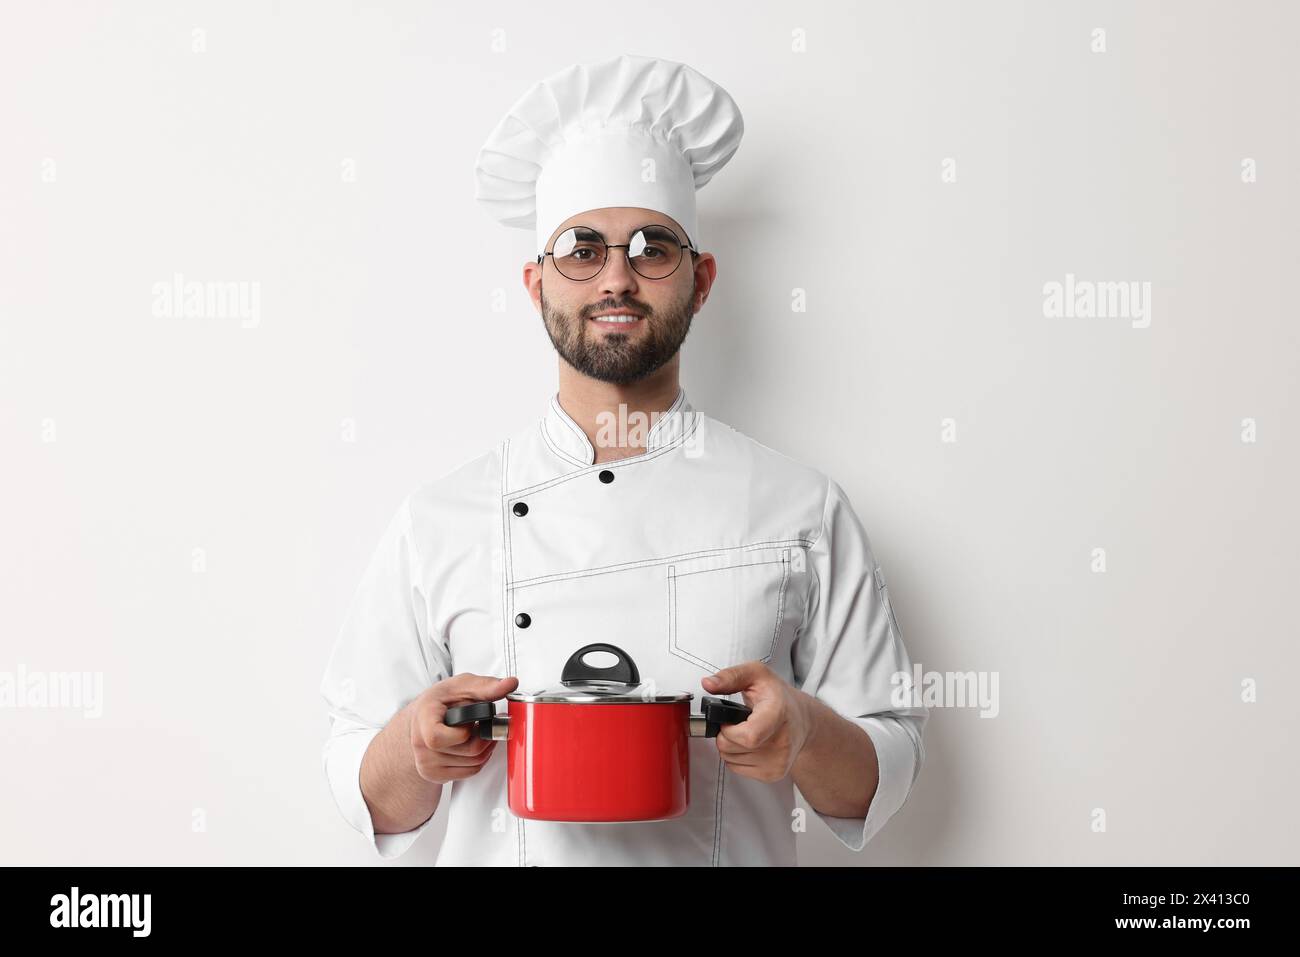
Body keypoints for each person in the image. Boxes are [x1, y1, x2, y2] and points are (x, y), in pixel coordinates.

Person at [318, 53, 927, 866]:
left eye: (652, 249)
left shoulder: (802, 506)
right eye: (581, 248)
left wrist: (807, 731)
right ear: (536, 283)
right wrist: (414, 746)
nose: (616, 278)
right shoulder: (439, 521)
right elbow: (358, 783)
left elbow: (886, 771)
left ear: (701, 280)